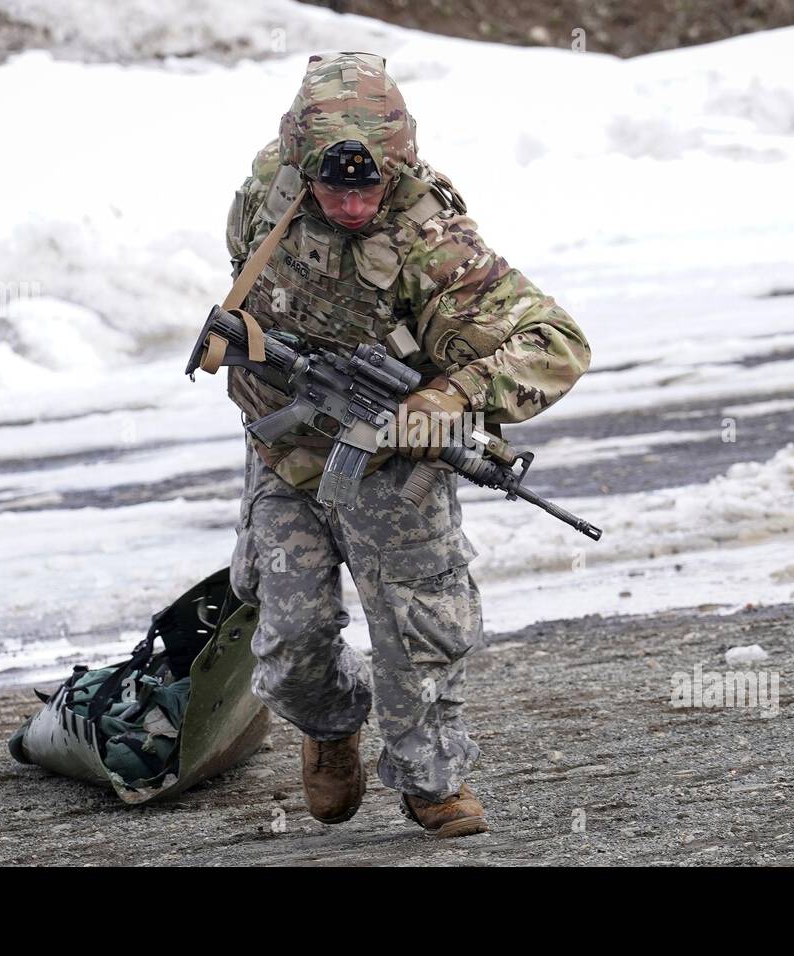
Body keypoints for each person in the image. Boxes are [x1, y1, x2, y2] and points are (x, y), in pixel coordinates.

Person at [224, 51, 591, 838]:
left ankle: (431, 782)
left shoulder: (435, 245)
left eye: (369, 186)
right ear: (300, 163)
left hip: (394, 464)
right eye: (335, 185)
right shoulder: (270, 194)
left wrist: (449, 396)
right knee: (288, 640)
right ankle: (330, 728)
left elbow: (556, 342)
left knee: (419, 633)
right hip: (285, 452)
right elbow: (246, 276)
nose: (353, 203)